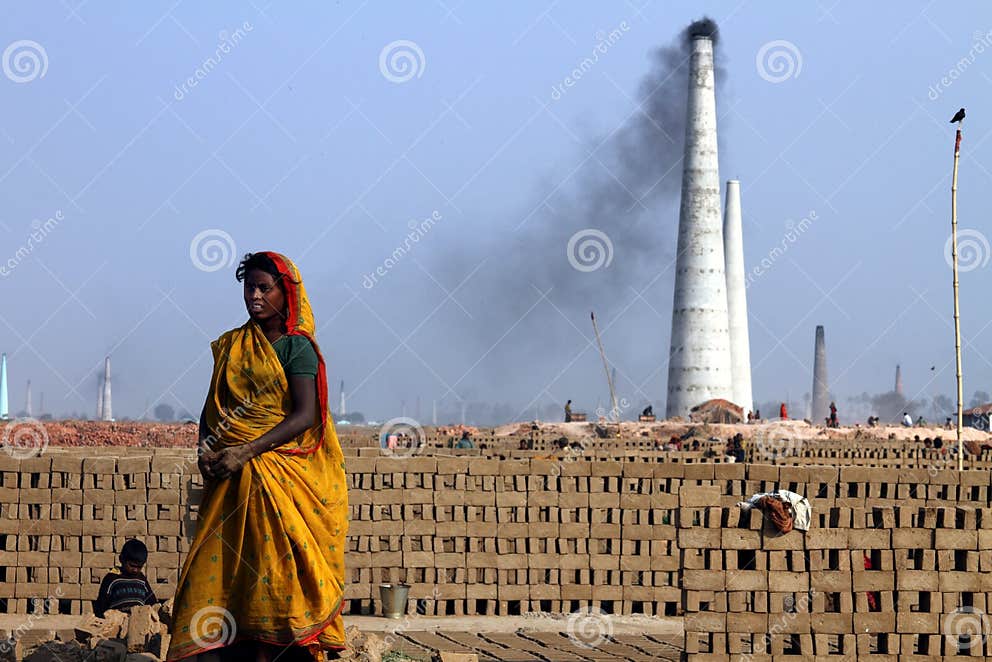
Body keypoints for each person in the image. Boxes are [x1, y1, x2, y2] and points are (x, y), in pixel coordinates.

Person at [167, 252, 348, 662]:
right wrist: (204, 450)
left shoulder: (296, 348)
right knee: (220, 576)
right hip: (230, 478)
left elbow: (305, 414)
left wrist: (248, 451)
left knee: (275, 574)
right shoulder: (234, 344)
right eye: (249, 287)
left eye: (265, 288)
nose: (254, 295)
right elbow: (213, 406)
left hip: (276, 475)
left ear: (287, 293)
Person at [94, 539, 157, 617]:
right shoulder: (112, 578)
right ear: (121, 559)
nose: (135, 570)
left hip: (138, 622)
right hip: (117, 622)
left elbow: (152, 602)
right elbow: (101, 604)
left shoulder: (142, 580)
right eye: (132, 565)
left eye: (139, 567)